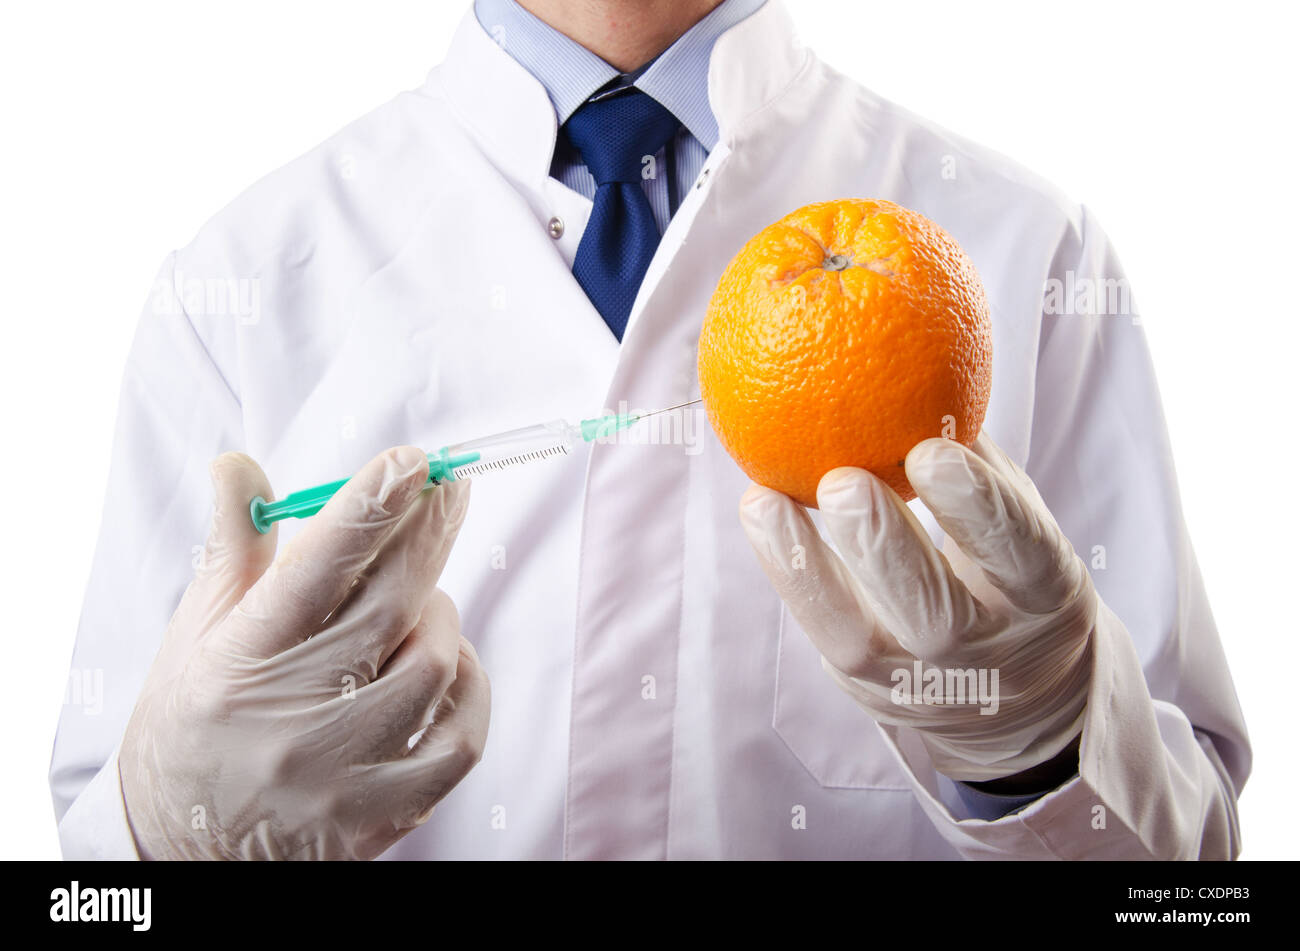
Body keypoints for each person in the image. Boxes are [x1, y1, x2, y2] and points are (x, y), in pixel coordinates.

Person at [50, 0, 1249, 860]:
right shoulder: (243, 273)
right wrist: (163, 834)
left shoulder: (1027, 251)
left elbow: (1190, 885)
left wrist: (1038, 757)